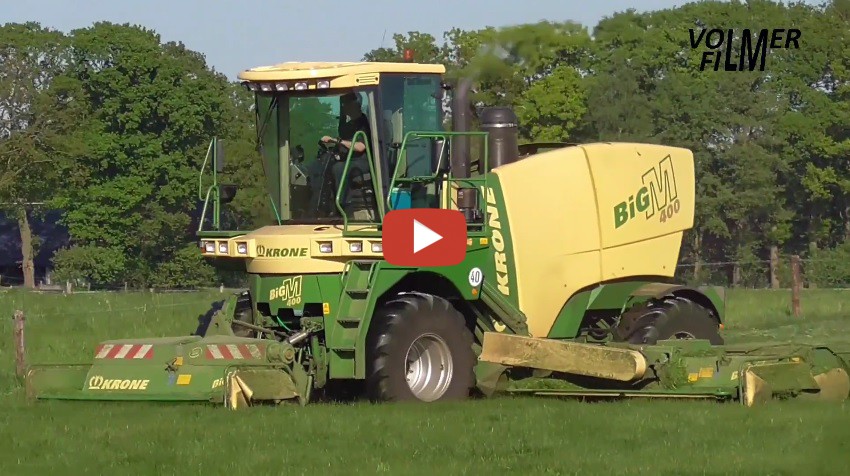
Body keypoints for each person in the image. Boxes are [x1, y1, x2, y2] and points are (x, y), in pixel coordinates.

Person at [318, 92, 376, 220]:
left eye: (346, 104)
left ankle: (344, 208)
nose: (344, 107)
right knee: (322, 164)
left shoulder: (363, 122)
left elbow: (361, 146)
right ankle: (321, 208)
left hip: (364, 162)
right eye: (343, 105)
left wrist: (336, 141)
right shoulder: (348, 125)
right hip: (349, 159)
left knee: (338, 169)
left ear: (355, 105)